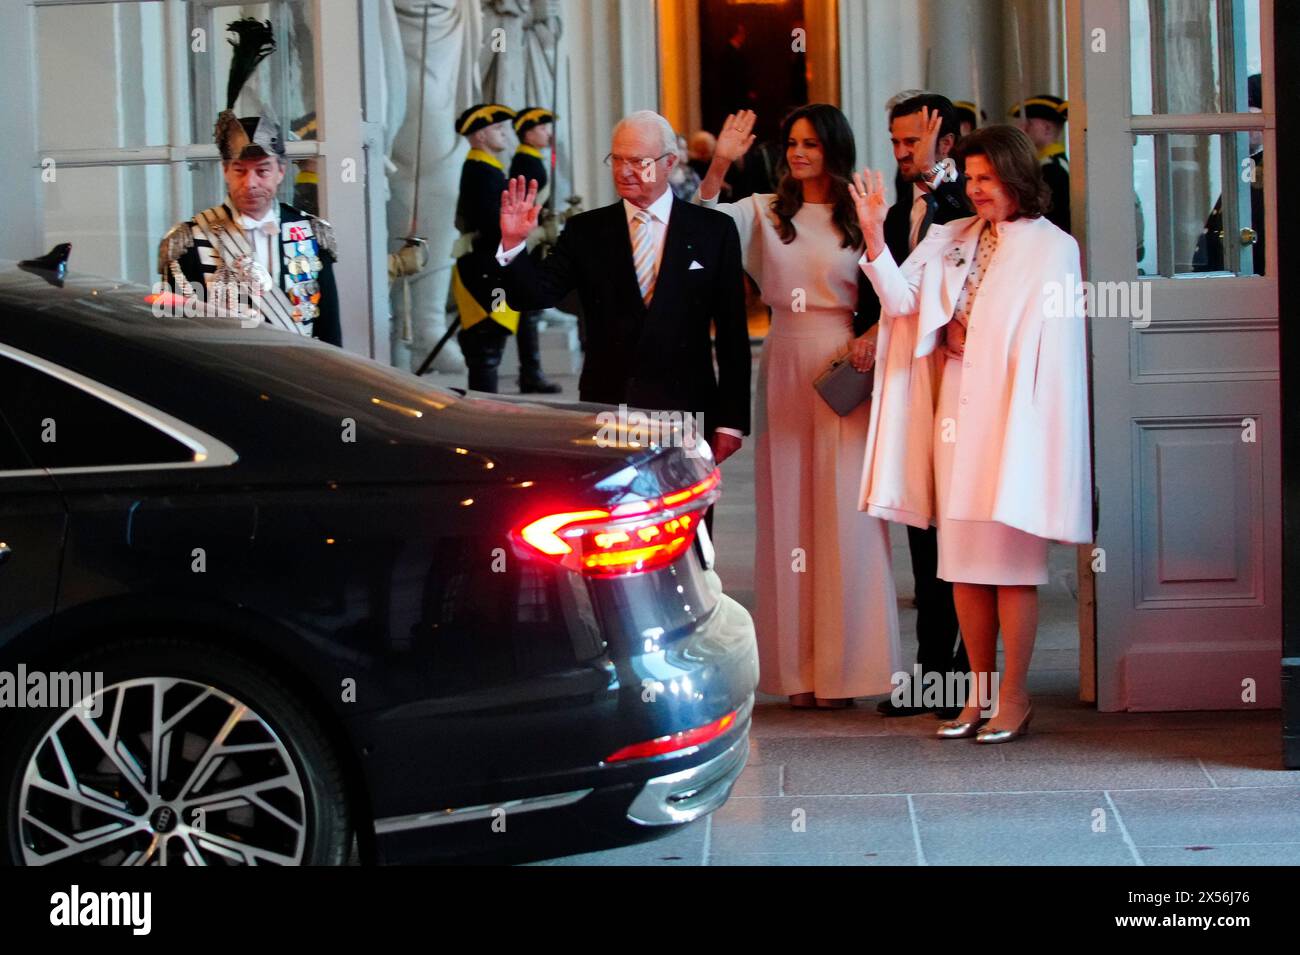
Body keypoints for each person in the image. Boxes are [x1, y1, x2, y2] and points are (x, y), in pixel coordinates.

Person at [850, 125, 1092, 743]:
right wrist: (875, 237)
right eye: (973, 178)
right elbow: (904, 304)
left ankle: (1014, 698)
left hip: (1015, 423)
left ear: (1016, 177)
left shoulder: (1052, 247)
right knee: (962, 568)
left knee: (1010, 569)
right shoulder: (953, 236)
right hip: (953, 420)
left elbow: (1055, 351)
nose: (978, 190)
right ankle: (975, 697)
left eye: (988, 178)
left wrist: (973, 337)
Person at [699, 105, 901, 709]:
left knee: (845, 518)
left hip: (844, 365)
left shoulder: (860, 211)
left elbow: (897, 284)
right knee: (788, 515)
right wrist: (720, 163)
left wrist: (874, 332)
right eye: (791, 142)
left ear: (833, 148)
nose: (798, 152)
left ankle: (849, 672)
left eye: (811, 143)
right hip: (783, 359)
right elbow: (698, 225)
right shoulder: (764, 210)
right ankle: (797, 674)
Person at [492, 110, 751, 462]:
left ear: (669, 163)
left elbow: (732, 332)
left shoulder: (712, 231)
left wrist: (731, 421)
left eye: (638, 161)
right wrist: (513, 245)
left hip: (687, 408)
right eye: (617, 159)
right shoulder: (586, 231)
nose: (624, 171)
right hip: (608, 408)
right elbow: (533, 295)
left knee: (688, 515)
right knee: (614, 513)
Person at [862, 94, 971, 719]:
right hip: (909, 379)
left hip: (956, 381)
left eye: (915, 143)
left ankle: (962, 672)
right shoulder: (901, 203)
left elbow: (958, 238)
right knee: (921, 528)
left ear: (946, 143)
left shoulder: (964, 200)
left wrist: (935, 169)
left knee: (957, 533)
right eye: (897, 142)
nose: (902, 153)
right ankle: (936, 676)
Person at [158, 18, 341, 346]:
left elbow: (329, 333)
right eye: (240, 170)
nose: (251, 183)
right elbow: (178, 339)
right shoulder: (189, 241)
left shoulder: (312, 235)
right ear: (225, 170)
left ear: (282, 171)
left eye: (263, 170)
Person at [451, 103, 520, 392]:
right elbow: (492, 224)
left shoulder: (488, 168)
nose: (504, 133)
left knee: (490, 346)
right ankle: (484, 415)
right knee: (485, 347)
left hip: (491, 268)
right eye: (497, 128)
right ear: (479, 136)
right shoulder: (481, 171)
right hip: (485, 271)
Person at [507, 107, 562, 393]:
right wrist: (539, 229)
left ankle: (532, 369)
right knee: (527, 310)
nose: (548, 133)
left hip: (532, 237)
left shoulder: (532, 159)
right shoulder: (527, 162)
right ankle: (530, 371)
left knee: (531, 311)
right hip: (526, 240)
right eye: (543, 129)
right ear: (528, 132)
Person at [1010, 94, 1070, 231]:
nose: (1021, 129)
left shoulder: (1051, 169)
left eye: (1028, 124)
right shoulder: (1050, 163)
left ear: (1047, 129)